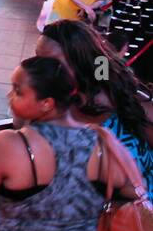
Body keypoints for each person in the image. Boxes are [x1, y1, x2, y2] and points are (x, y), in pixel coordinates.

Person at [0, 56, 145, 231]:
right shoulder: (102, 141)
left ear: (47, 103)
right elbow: (135, 189)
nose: (10, 96)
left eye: (18, 91)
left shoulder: (9, 144)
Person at [37, 20, 153, 200]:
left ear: (77, 59)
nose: (40, 68)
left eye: (50, 61)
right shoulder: (78, 85)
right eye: (37, 58)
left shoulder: (102, 96)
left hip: (135, 207)